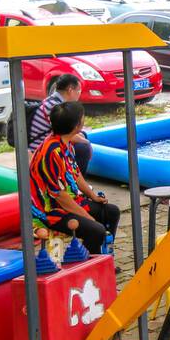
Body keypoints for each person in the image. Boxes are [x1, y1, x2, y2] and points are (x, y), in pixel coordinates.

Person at [29, 101, 119, 255]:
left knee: (112, 212)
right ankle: (91, 265)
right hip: (49, 211)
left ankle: (100, 256)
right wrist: (89, 218)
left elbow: (75, 174)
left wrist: (92, 196)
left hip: (69, 202)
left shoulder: (65, 142)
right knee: (96, 229)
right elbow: (60, 197)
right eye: (82, 117)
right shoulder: (51, 152)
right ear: (77, 125)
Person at [29, 74, 91, 173]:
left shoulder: (53, 100)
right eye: (79, 91)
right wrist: (87, 143)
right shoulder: (56, 107)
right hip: (40, 150)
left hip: (46, 142)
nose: (79, 94)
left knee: (83, 136)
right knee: (83, 148)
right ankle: (74, 182)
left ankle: (72, 176)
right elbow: (67, 134)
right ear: (70, 90)